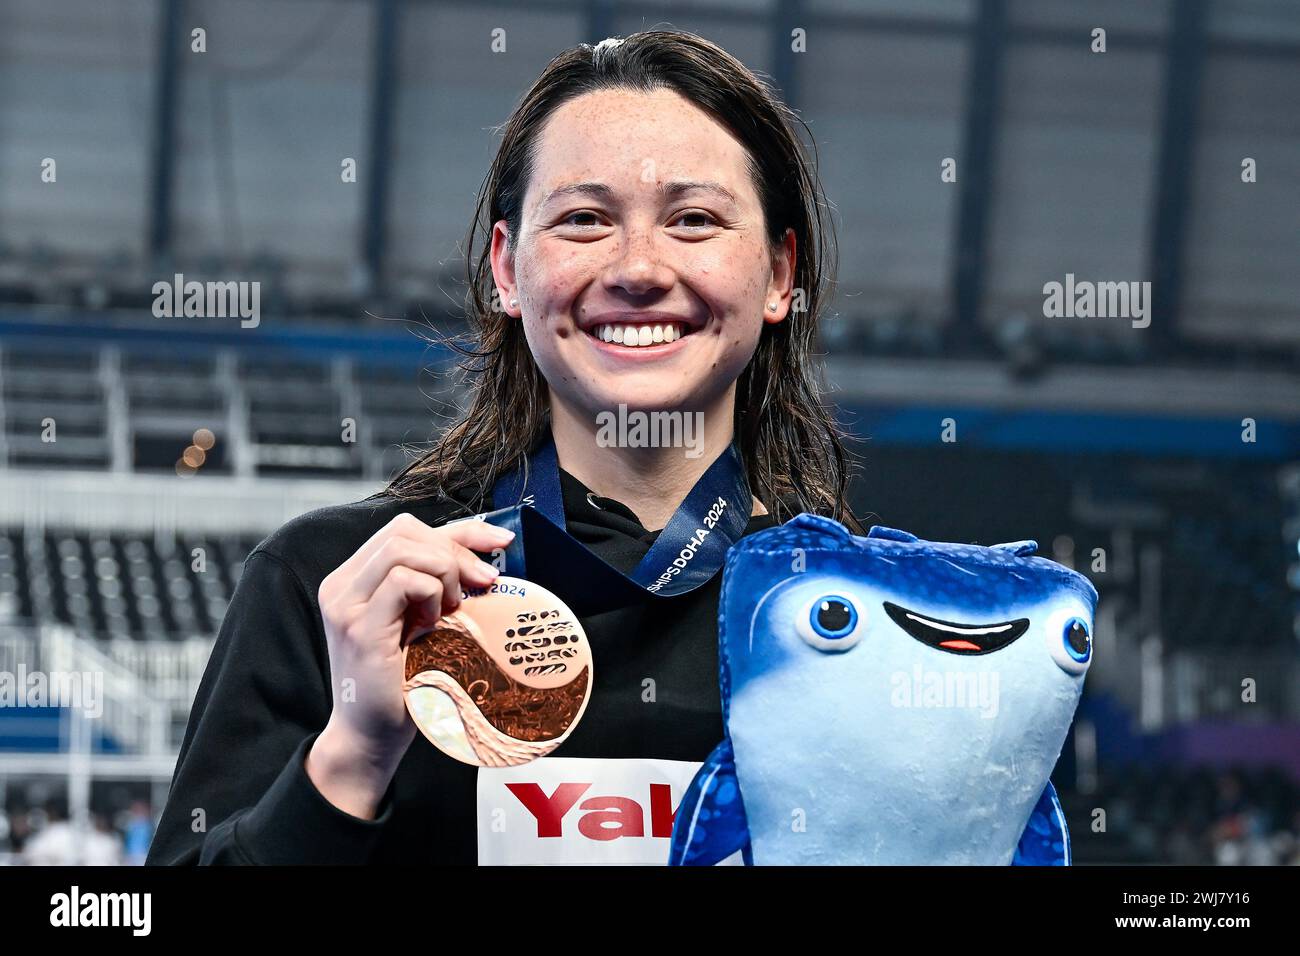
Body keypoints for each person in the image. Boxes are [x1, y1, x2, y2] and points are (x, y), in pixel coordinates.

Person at [147, 29, 862, 866]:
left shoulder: (856, 617)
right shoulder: (342, 586)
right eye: (584, 220)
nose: (637, 268)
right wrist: (352, 758)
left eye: (694, 219)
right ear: (507, 270)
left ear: (781, 274)